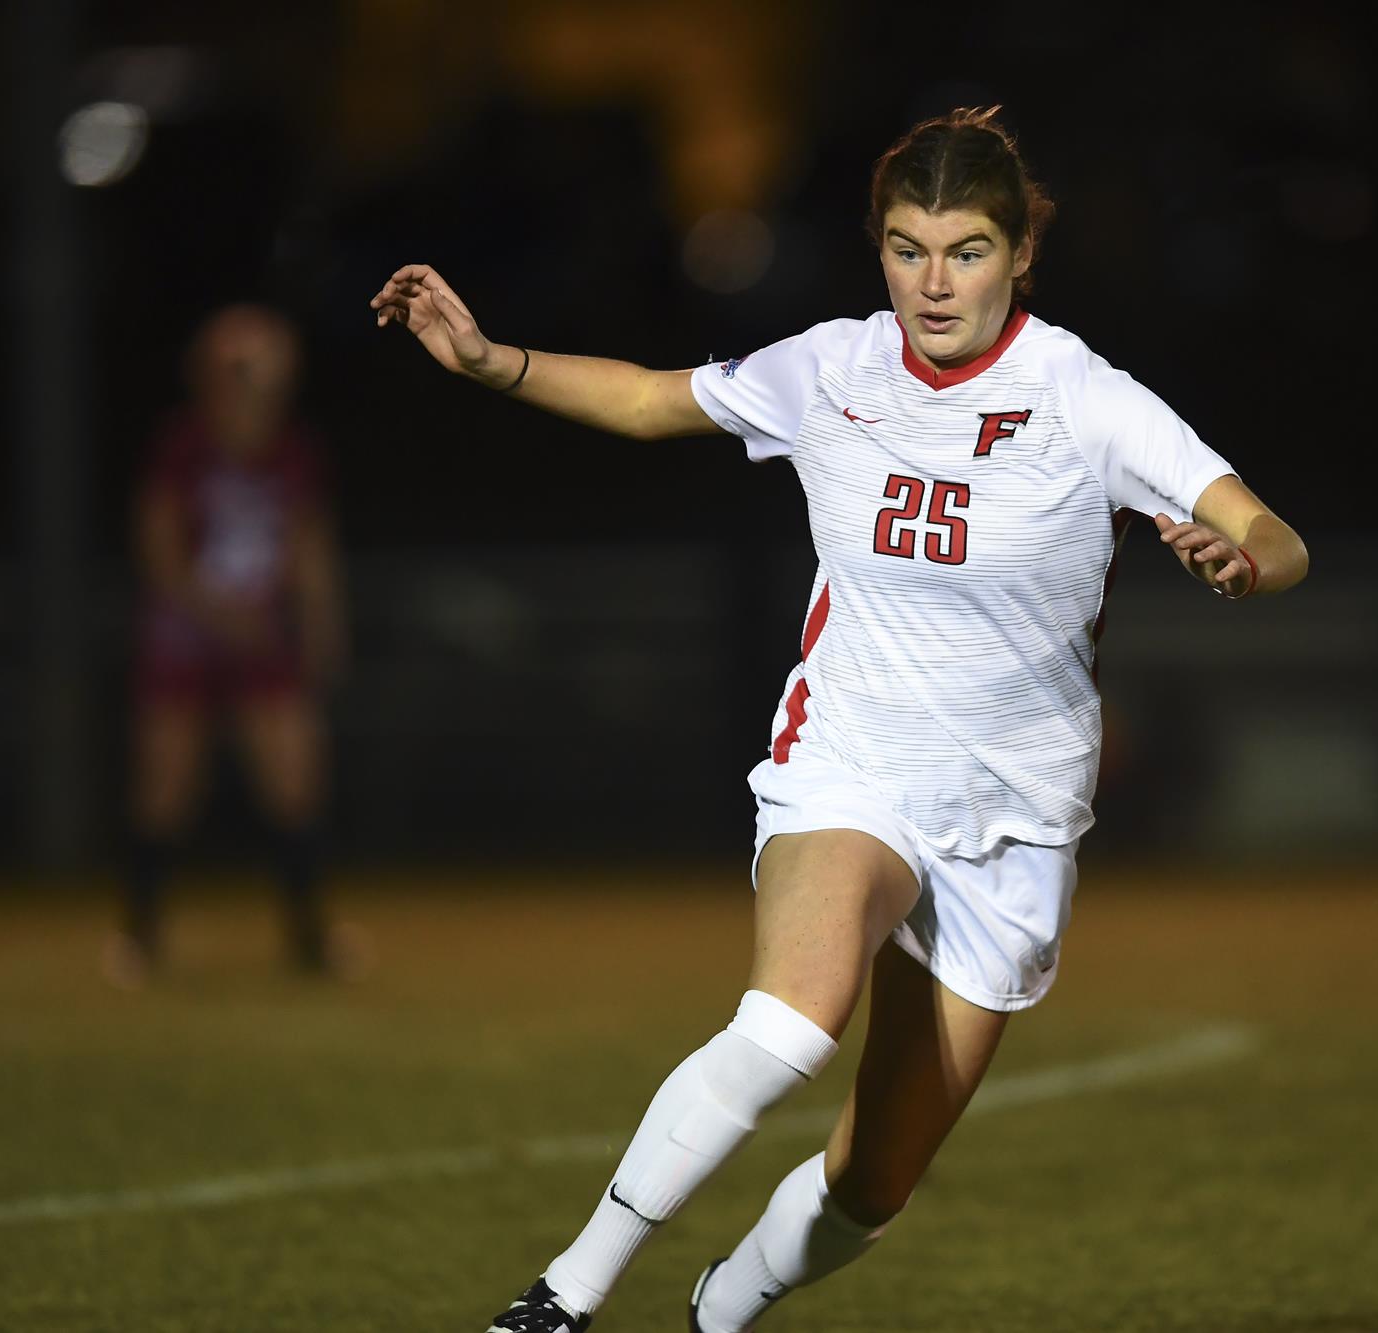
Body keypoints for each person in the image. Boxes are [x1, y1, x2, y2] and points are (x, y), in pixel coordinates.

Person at [372, 107, 1309, 1331]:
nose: (933, 282)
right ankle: (563, 1296)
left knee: (872, 1183)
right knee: (788, 1019)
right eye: (907, 248)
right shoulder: (832, 369)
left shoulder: (1082, 397)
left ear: (1020, 251)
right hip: (850, 767)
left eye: (965, 249)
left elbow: (1274, 535)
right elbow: (658, 401)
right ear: (877, 249)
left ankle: (722, 1307)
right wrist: (496, 361)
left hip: (1011, 822)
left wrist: (1239, 560)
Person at [109, 302, 351, 986]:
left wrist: (324, 627)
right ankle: (140, 933)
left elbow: (310, 547)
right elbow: (156, 547)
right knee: (164, 788)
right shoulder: (183, 444)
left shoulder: (295, 449)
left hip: (264, 638)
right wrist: (213, 614)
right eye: (243, 366)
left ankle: (309, 936)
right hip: (185, 637)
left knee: (295, 782)